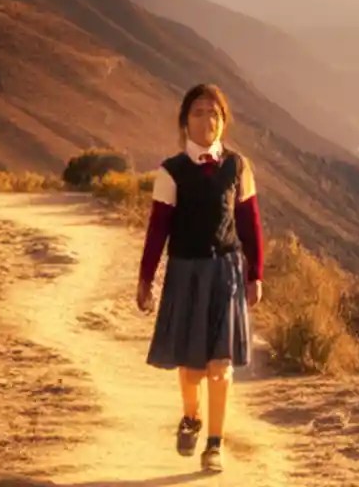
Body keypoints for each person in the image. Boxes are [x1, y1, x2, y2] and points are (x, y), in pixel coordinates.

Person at [136, 82, 265, 473]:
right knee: (191, 369)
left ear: (223, 121)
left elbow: (250, 222)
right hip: (186, 273)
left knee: (220, 365)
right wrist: (146, 279)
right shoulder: (171, 172)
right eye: (198, 112)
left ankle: (214, 444)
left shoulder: (238, 167)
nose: (207, 119)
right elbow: (158, 229)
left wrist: (255, 273)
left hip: (226, 272)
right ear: (184, 122)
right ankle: (191, 416)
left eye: (214, 113)